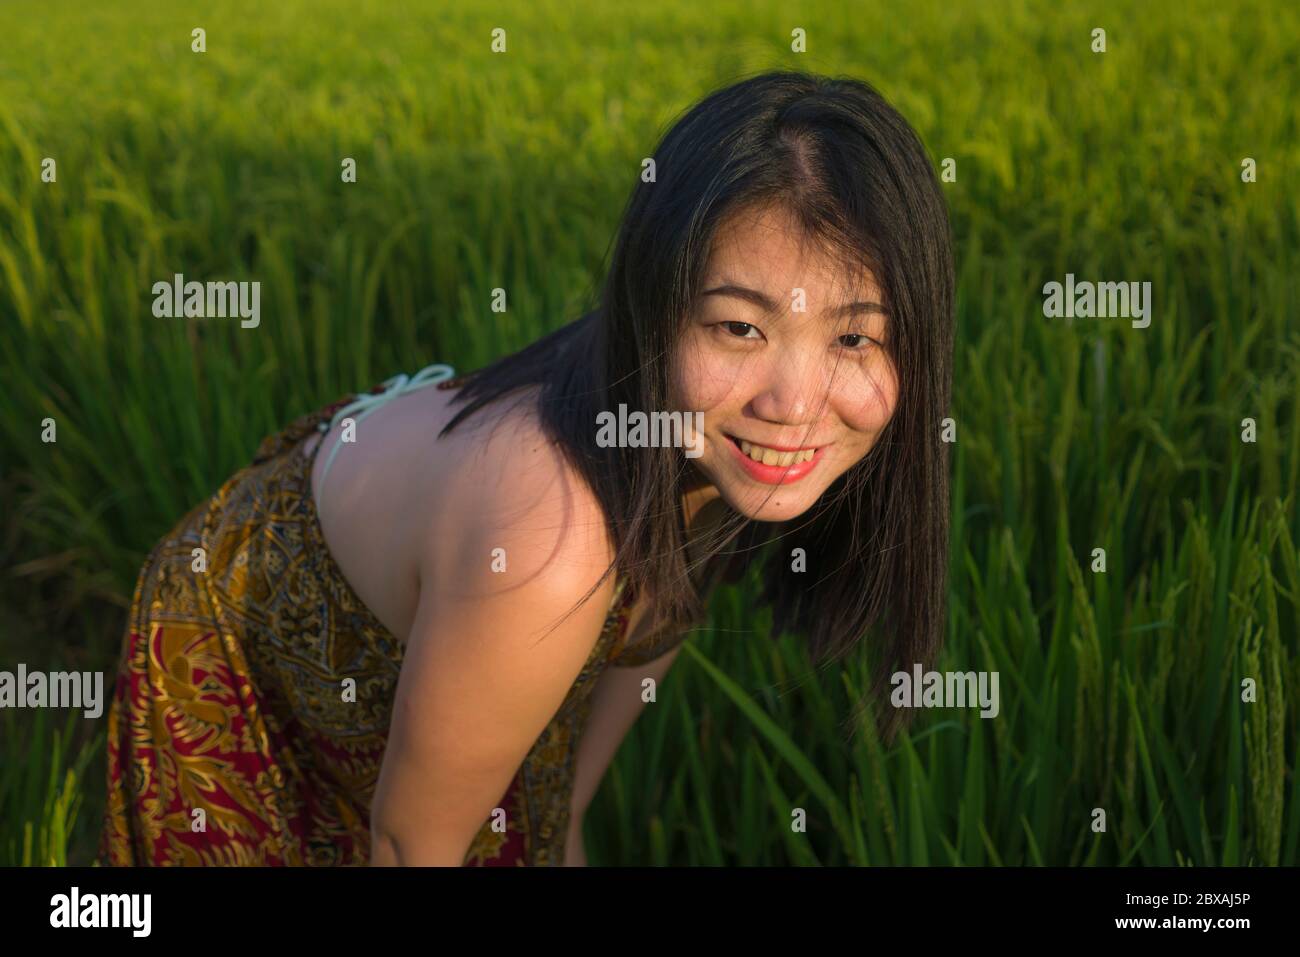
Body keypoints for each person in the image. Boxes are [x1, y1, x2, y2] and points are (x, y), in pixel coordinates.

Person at [98, 69, 954, 867]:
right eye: (739, 328)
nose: (794, 404)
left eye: (854, 338)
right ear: (653, 314)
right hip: (243, 650)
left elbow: (560, 797)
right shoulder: (552, 540)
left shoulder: (711, 457)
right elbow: (411, 845)